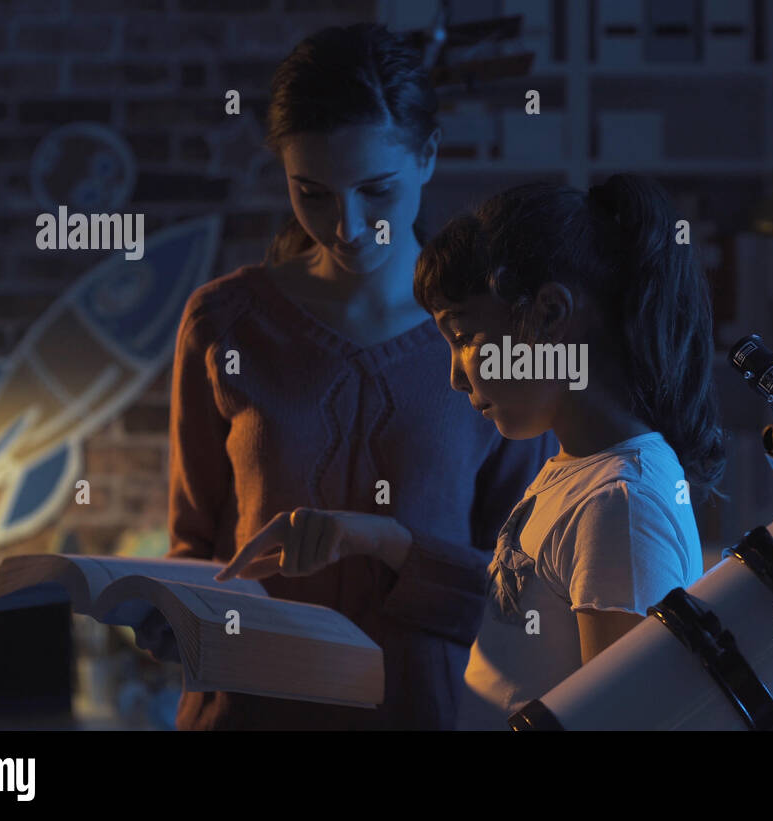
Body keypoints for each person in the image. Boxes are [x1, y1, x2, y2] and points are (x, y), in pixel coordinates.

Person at [148, 23, 556, 731]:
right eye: (312, 193)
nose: (348, 227)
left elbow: (522, 600)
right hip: (241, 714)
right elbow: (193, 546)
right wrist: (162, 610)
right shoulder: (224, 321)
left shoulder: (497, 337)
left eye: (376, 191)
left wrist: (385, 544)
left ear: (427, 157)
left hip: (419, 712)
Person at [218, 173, 725, 730]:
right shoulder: (572, 473)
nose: (457, 378)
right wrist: (371, 538)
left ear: (551, 315)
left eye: (462, 337)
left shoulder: (622, 504)